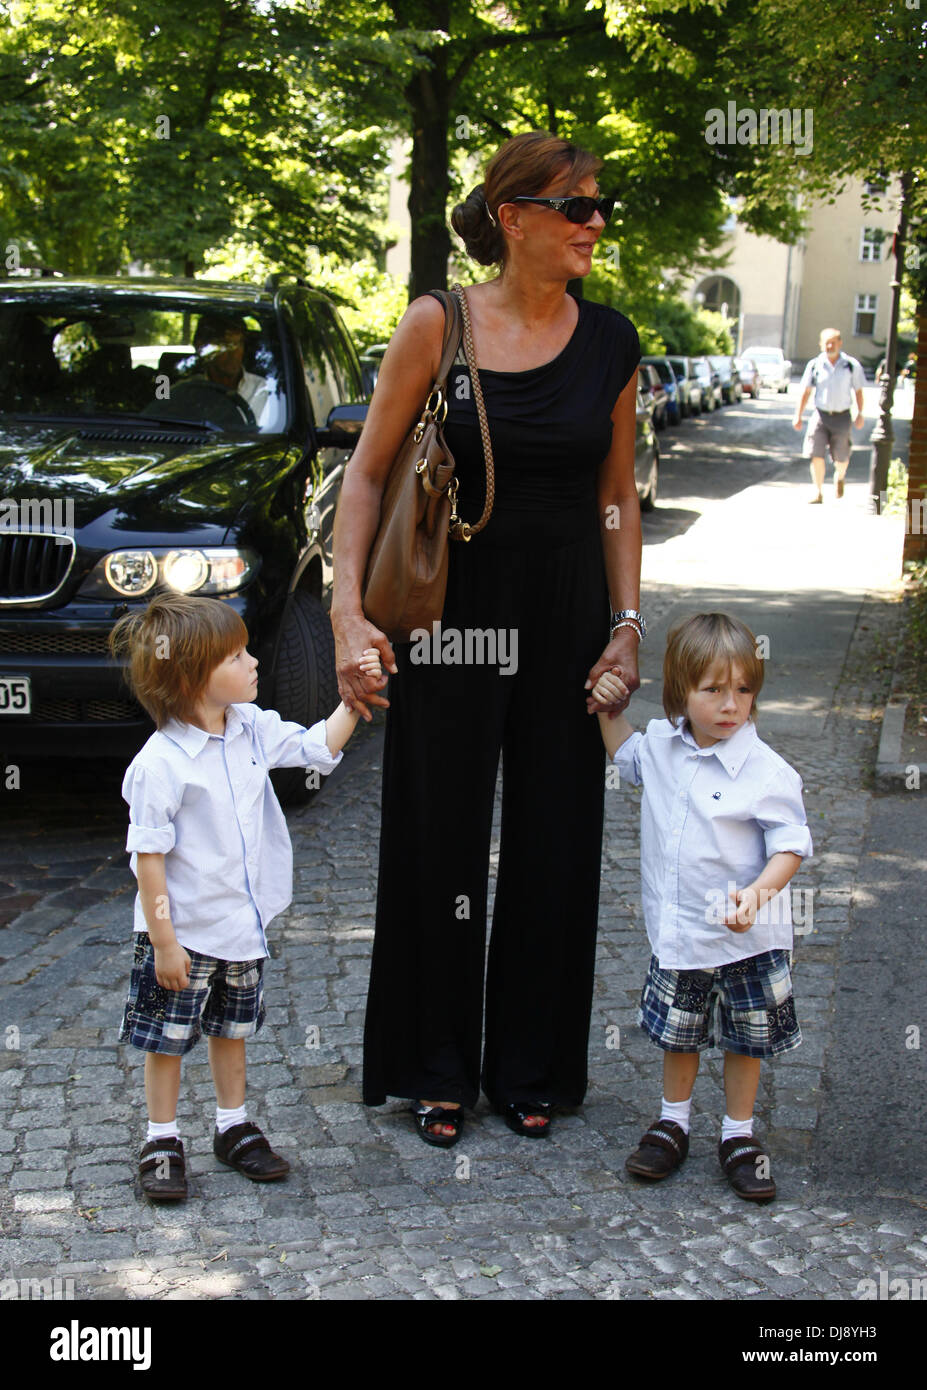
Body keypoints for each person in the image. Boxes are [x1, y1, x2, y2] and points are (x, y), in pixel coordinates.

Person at [330, 131, 643, 1146]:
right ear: (515, 219)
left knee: (558, 834)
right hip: (453, 610)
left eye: (601, 204)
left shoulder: (612, 344)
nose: (597, 222)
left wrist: (627, 624)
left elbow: (616, 499)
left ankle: (532, 1062)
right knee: (441, 827)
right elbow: (369, 472)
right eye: (578, 205)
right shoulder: (441, 324)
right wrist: (347, 612)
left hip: (568, 616)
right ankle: (438, 1064)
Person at [111, 592, 379, 1200]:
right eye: (236, 656)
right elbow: (147, 859)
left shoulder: (252, 728)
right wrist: (164, 943)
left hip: (240, 927)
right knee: (167, 1040)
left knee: (231, 1032)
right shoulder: (159, 765)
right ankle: (161, 1139)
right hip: (179, 934)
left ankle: (232, 1126)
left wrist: (351, 703)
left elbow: (314, 748)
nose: (253, 661)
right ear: (190, 678)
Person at [592, 613, 812, 1201]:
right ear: (679, 693)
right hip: (683, 933)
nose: (731, 704)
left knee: (746, 1041)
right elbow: (625, 757)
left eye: (743, 689)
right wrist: (608, 709)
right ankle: (673, 1122)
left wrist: (758, 895)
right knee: (681, 1035)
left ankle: (739, 1134)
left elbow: (791, 845)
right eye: (713, 689)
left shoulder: (766, 772)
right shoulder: (662, 745)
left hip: (749, 941)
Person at [793, 328, 865, 503]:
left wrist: (860, 414)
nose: (830, 346)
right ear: (821, 344)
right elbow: (806, 391)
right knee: (815, 453)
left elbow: (859, 391)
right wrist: (798, 414)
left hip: (842, 416)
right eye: (826, 343)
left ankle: (839, 476)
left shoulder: (850, 365)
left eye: (833, 342)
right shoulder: (815, 365)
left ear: (840, 343)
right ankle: (818, 492)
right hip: (820, 414)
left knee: (841, 457)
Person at [190, 313, 282, 429]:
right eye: (226, 345)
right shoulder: (188, 392)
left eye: (238, 344)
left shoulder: (265, 391)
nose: (234, 354)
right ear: (204, 350)